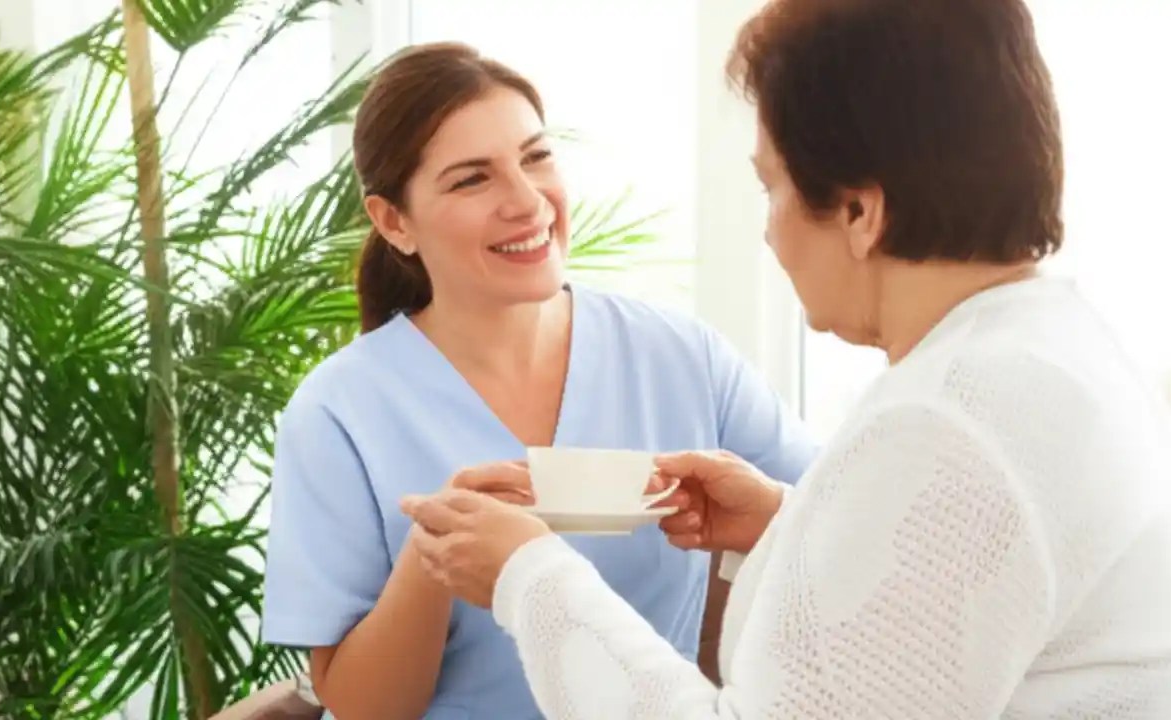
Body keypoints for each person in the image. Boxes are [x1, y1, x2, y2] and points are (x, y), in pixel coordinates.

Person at [398, 1, 1171, 717]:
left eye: (770, 186)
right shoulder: (1047, 348)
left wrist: (529, 576)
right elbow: (936, 621)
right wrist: (790, 525)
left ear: (859, 212)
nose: (768, 233)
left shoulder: (947, 422)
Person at [259, 42, 817, 719]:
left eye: (535, 157)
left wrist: (764, 519)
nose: (527, 202)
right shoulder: (337, 411)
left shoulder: (682, 359)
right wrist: (431, 562)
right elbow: (365, 709)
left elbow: (851, 532)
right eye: (472, 179)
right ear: (394, 222)